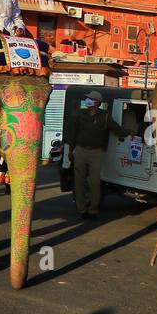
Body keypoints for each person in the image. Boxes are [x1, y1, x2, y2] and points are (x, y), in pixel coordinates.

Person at [63, 91, 130, 219]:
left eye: (90, 99)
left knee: (95, 183)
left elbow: (116, 129)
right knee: (79, 182)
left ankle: (93, 210)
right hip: (81, 150)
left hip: (96, 152)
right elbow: (73, 133)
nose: (87, 101)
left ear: (97, 102)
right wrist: (71, 150)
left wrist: (129, 132)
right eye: (87, 98)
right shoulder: (80, 114)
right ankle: (81, 209)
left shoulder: (104, 116)